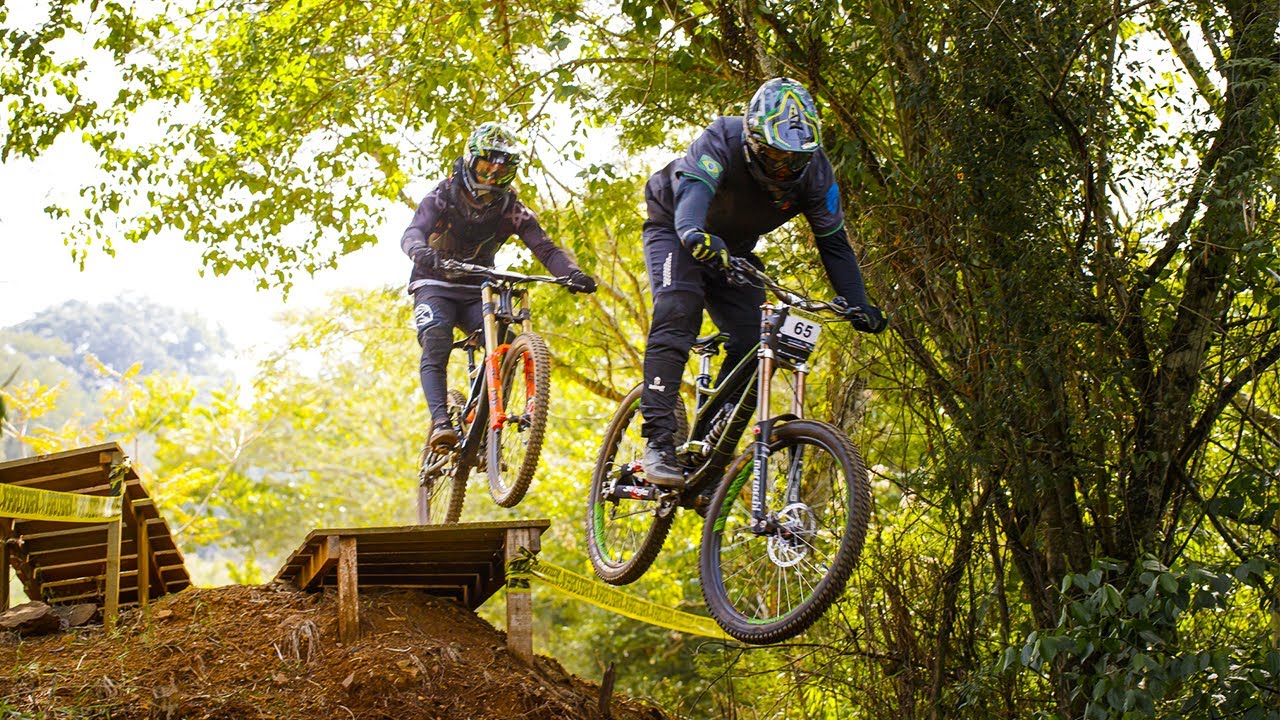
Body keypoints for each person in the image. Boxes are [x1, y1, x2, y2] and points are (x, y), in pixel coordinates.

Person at [638, 77, 888, 487]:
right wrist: (693, 235)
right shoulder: (722, 137)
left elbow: (835, 244)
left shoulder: (817, 174)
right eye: (773, 155)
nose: (784, 167)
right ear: (753, 141)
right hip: (677, 227)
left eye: (794, 158)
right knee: (678, 309)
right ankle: (659, 441)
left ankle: (708, 448)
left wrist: (857, 301)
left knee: (757, 336)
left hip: (732, 246)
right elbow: (693, 198)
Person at [402, 122, 596, 450]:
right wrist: (423, 252)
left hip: (477, 287)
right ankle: (440, 422)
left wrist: (572, 274)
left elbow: (544, 247)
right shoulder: (442, 195)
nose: (492, 177)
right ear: (469, 161)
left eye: (501, 171)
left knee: (505, 340)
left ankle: (484, 411)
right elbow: (412, 233)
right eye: (485, 167)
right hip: (434, 282)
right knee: (436, 338)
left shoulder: (510, 207)